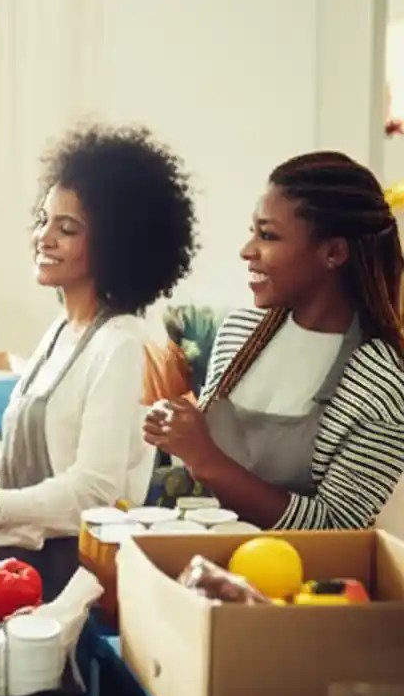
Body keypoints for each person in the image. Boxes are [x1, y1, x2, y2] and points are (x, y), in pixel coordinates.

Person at [0, 124, 198, 600]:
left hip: (70, 578)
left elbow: (94, 492)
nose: (44, 238)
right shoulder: (61, 329)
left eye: (68, 229)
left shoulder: (121, 344)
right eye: (44, 221)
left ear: (115, 244)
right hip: (18, 565)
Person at [145, 152, 404, 530]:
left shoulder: (379, 381)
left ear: (333, 252)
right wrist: (175, 431)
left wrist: (206, 459)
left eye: (267, 235)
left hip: (296, 587)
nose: (247, 251)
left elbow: (336, 529)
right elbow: (199, 477)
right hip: (197, 571)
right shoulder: (240, 333)